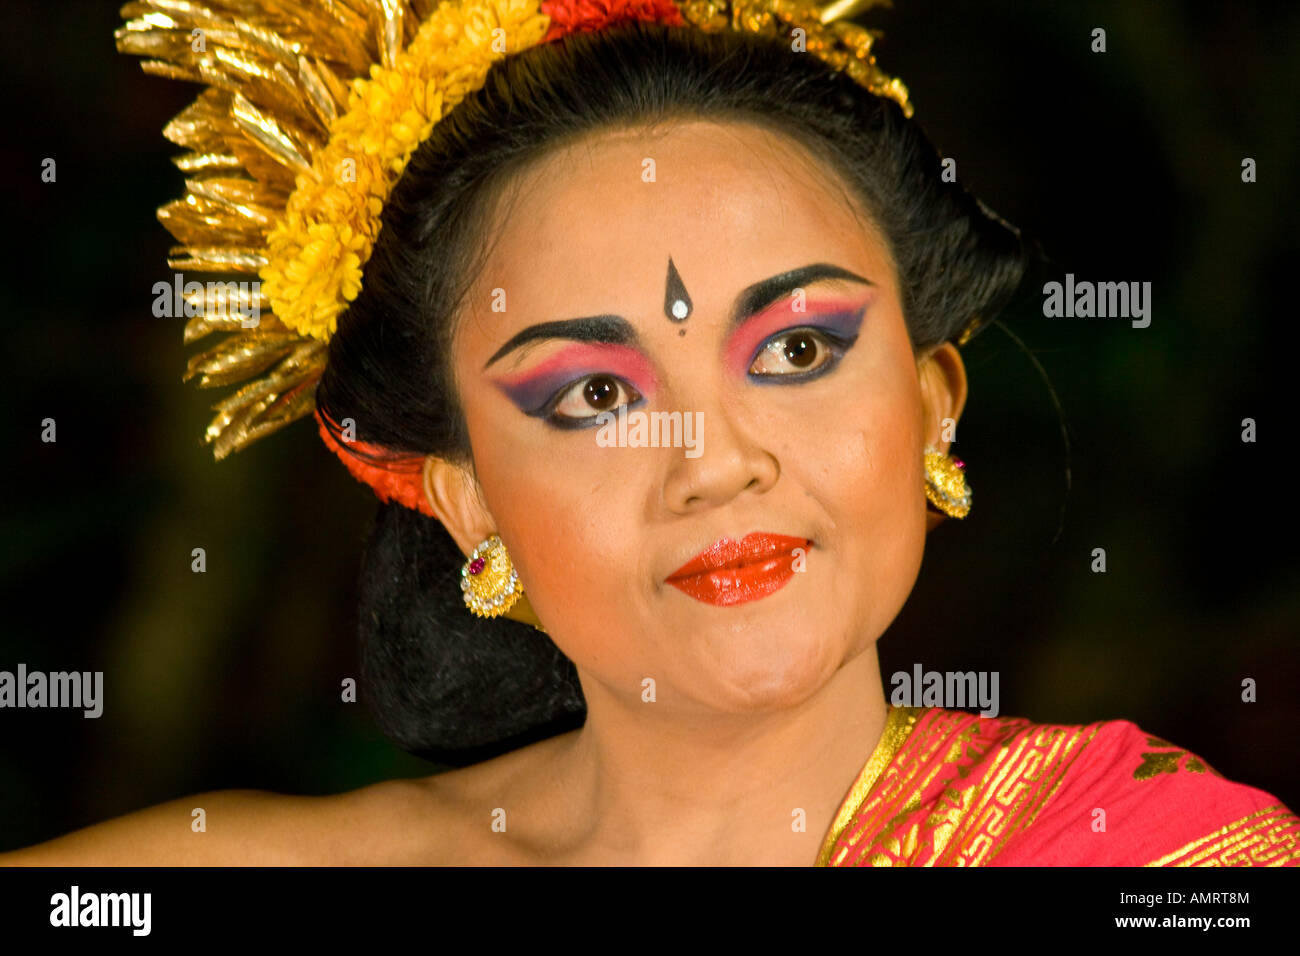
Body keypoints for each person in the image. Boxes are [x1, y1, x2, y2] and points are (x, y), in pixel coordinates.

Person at [3, 0, 1296, 866]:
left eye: (797, 350)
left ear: (931, 405)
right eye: (594, 396)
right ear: (462, 500)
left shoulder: (1152, 855)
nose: (716, 459)